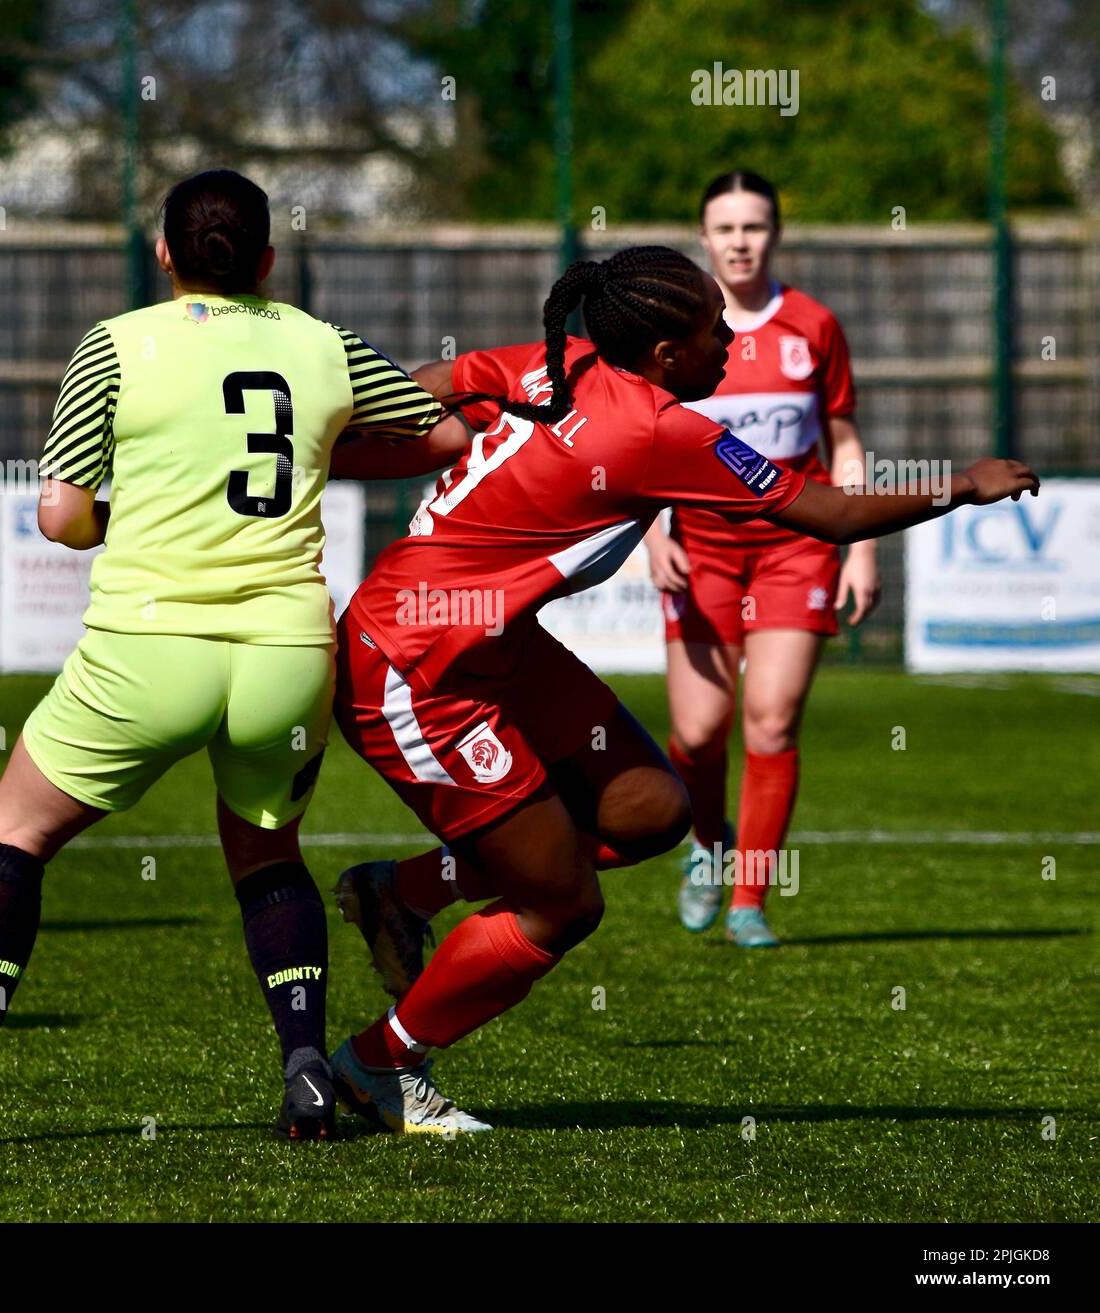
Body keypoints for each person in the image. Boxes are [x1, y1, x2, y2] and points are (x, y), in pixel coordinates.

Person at [324, 245, 1037, 1134]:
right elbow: (830, 512)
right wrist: (962, 486)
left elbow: (441, 377)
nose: (731, 343)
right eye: (712, 331)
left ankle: (407, 890)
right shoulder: (664, 431)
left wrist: (332, 450)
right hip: (415, 666)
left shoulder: (563, 360)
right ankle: (377, 1064)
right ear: (664, 354)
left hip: (487, 643)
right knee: (563, 903)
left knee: (650, 811)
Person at [0, 169, 446, 1145]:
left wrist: (142, 507)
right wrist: (319, 447)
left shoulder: (115, 343)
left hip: (149, 648)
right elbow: (444, 433)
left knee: (12, 837)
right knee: (267, 850)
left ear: (163, 253)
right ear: (265, 260)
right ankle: (303, 1068)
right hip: (288, 656)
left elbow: (62, 515)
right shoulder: (322, 343)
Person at [644, 170, 877, 948]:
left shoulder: (814, 325)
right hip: (702, 547)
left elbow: (843, 442)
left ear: (774, 234)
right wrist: (653, 535)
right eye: (725, 228)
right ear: (703, 237)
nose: (740, 241)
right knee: (699, 731)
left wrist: (861, 545)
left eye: (754, 227)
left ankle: (750, 900)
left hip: (795, 545)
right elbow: (639, 440)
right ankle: (707, 847)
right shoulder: (677, 329)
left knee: (771, 721)